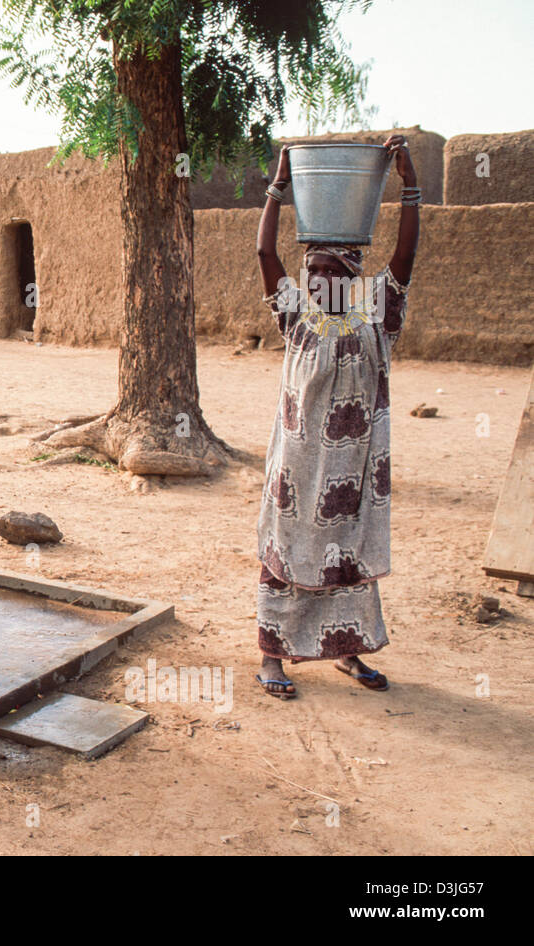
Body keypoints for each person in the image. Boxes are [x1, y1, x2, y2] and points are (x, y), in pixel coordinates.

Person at [253, 134, 419, 699]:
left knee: (346, 557)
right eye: (313, 271)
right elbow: (265, 255)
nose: (320, 280)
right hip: (297, 473)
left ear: (352, 277)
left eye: (331, 271)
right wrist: (280, 185)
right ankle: (273, 659)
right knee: (284, 555)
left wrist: (409, 187)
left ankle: (348, 652)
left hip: (355, 472)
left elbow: (403, 260)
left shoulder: (377, 318)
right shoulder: (295, 317)